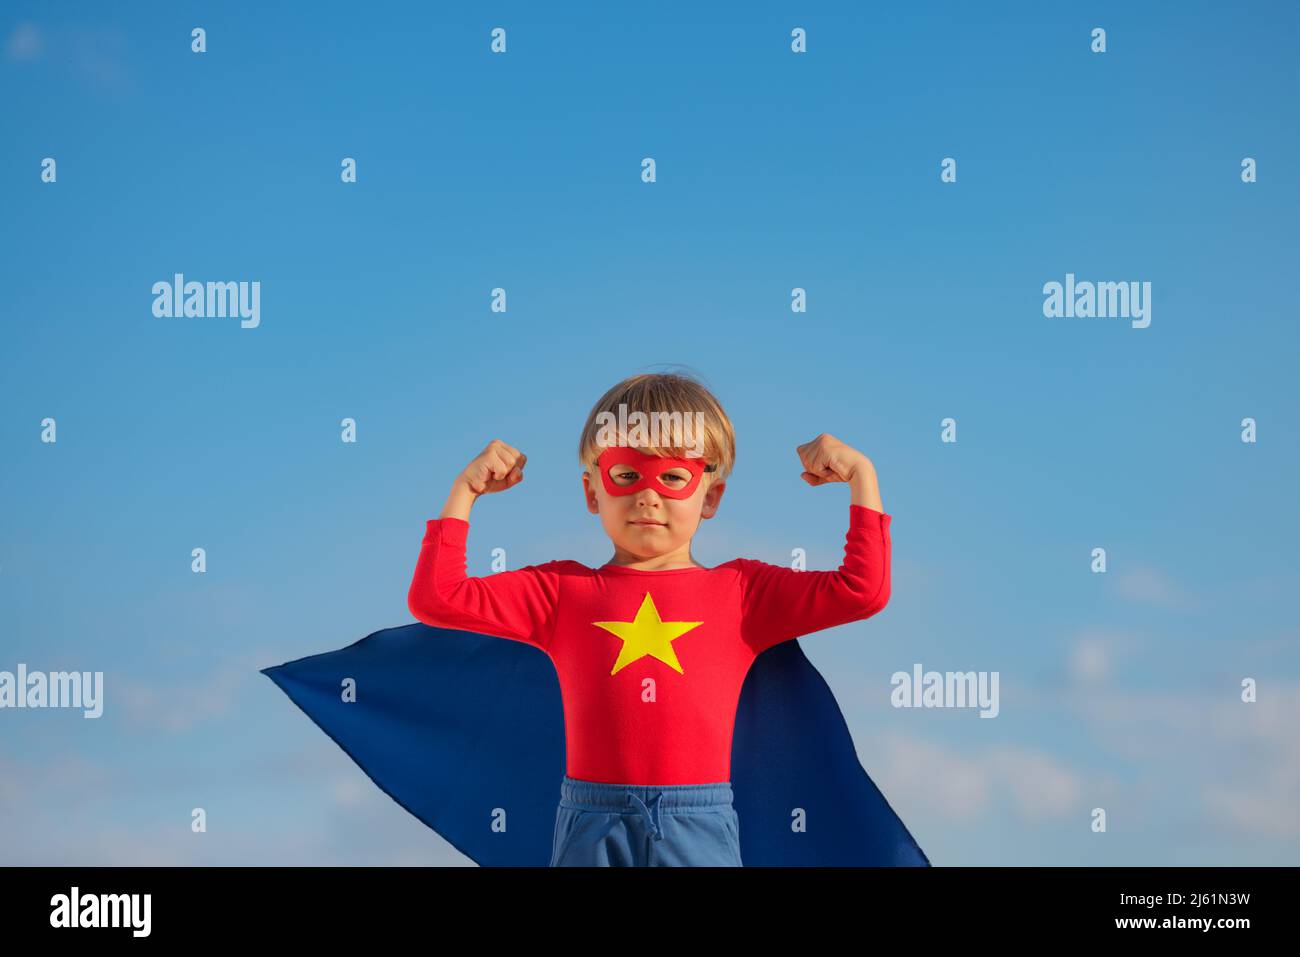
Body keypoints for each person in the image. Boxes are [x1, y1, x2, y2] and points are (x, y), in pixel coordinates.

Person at [404, 372, 902, 866]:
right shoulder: (561, 592)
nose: (648, 495)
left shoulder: (744, 592)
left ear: (710, 496)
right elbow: (437, 597)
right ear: (593, 492)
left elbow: (863, 590)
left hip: (699, 824)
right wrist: (465, 491)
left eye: (672, 476)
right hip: (590, 823)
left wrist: (862, 475)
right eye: (626, 475)